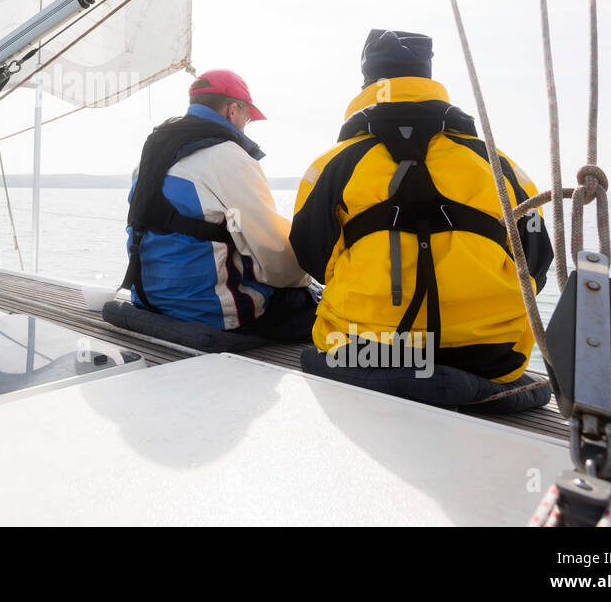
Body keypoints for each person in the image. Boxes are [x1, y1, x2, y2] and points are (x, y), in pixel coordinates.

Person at [289, 30, 554, 393]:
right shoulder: (499, 164)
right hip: (495, 357)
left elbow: (309, 252)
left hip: (363, 353)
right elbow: (537, 257)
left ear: (368, 83)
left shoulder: (332, 165)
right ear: (427, 78)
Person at [123, 69, 316, 341]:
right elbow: (274, 252)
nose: (246, 124)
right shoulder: (229, 157)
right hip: (205, 311)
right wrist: (307, 279)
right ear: (232, 110)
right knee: (311, 304)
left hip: (148, 299)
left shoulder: (152, 154)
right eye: (247, 117)